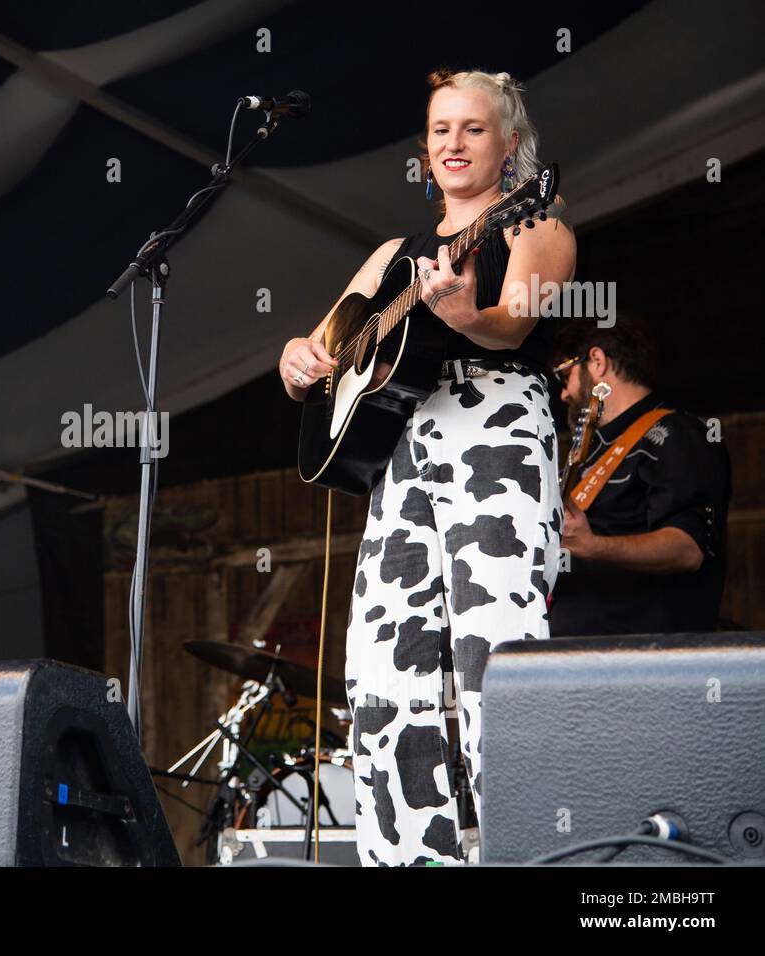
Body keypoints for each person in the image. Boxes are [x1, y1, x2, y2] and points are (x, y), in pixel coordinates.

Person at [278, 69, 575, 865]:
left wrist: (463, 314)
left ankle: (531, 848)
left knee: (494, 644)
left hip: (496, 430)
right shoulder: (392, 254)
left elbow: (512, 328)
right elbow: (327, 346)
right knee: (385, 662)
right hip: (404, 452)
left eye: (472, 130)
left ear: (508, 144)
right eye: (441, 130)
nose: (452, 144)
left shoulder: (534, 224)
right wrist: (299, 360)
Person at [549, 316, 730, 636]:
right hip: (573, 657)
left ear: (597, 361)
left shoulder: (678, 434)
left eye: (565, 377)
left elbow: (687, 549)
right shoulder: (593, 450)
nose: (563, 395)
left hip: (639, 663)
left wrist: (592, 546)